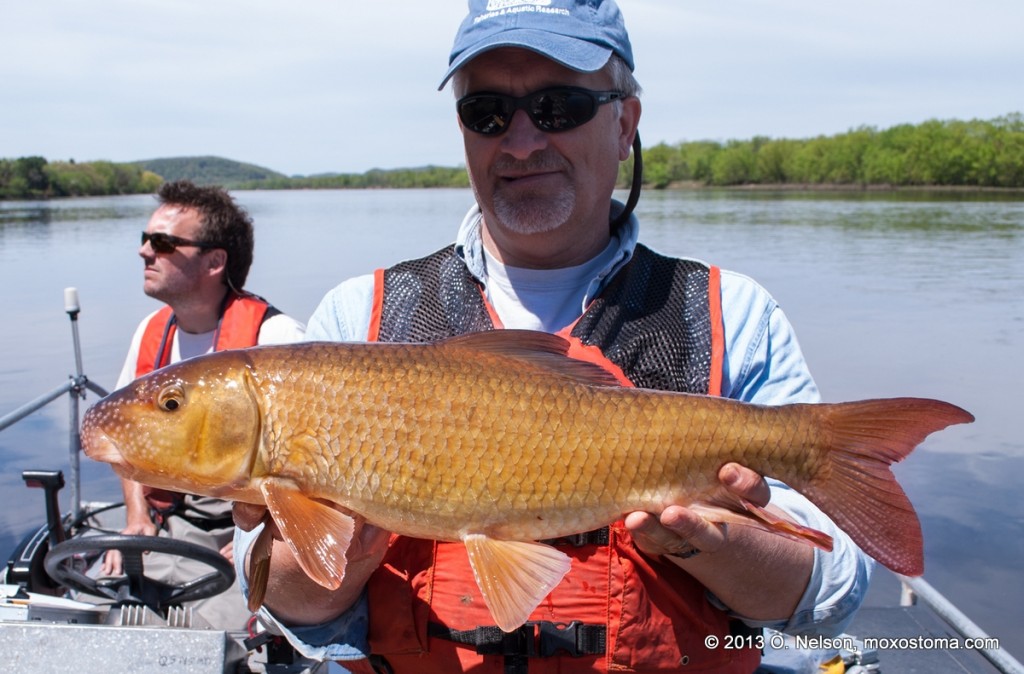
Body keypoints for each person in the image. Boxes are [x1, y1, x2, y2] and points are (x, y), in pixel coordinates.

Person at [234, 1, 871, 671]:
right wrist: (334, 562)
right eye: (487, 114)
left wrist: (712, 542)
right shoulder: (357, 319)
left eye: (558, 107)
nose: (520, 141)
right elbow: (285, 604)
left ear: (625, 122)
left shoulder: (731, 315)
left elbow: (831, 597)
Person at [103, 179, 305, 629]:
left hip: (244, 520)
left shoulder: (276, 341)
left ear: (215, 261)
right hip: (171, 515)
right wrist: (137, 519)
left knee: (225, 631)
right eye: (145, 239)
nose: (144, 251)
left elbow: (311, 462)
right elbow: (123, 441)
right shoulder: (151, 334)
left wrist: (263, 534)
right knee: (112, 609)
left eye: (162, 242)